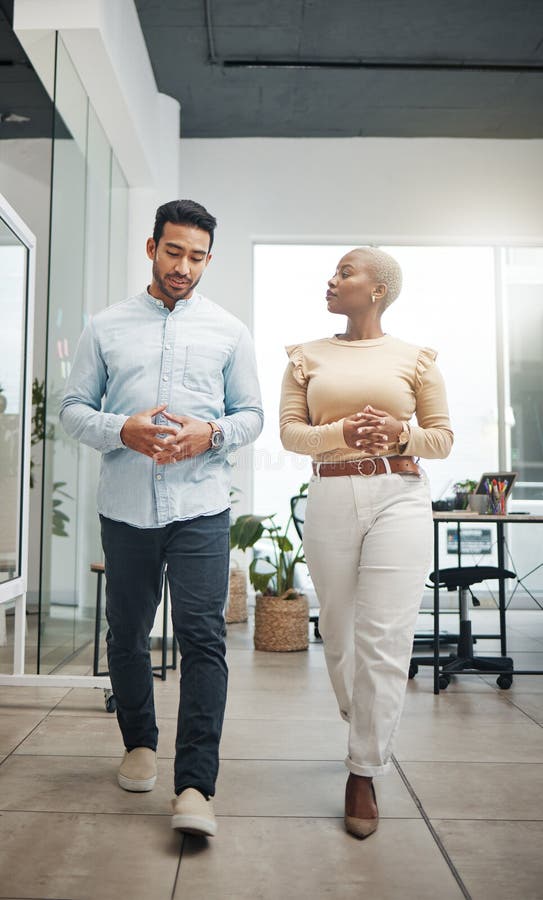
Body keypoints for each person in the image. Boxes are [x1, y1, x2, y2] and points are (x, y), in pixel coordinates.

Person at [60, 199, 263, 838]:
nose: (184, 266)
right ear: (151, 248)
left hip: (201, 508)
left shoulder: (229, 331)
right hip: (125, 509)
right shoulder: (106, 326)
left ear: (209, 259)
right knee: (126, 631)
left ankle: (196, 786)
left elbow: (252, 415)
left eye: (196, 256)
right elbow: (70, 407)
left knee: (204, 640)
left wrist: (211, 435)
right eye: (173, 252)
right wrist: (122, 427)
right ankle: (138, 743)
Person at [279, 247, 453, 839]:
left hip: (400, 493)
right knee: (338, 631)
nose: (332, 279)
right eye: (334, 271)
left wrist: (402, 431)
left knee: (386, 635)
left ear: (377, 290)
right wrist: (342, 431)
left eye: (345, 272)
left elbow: (442, 439)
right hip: (330, 493)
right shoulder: (306, 356)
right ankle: (365, 719)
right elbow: (291, 435)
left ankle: (363, 771)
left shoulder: (416, 359)